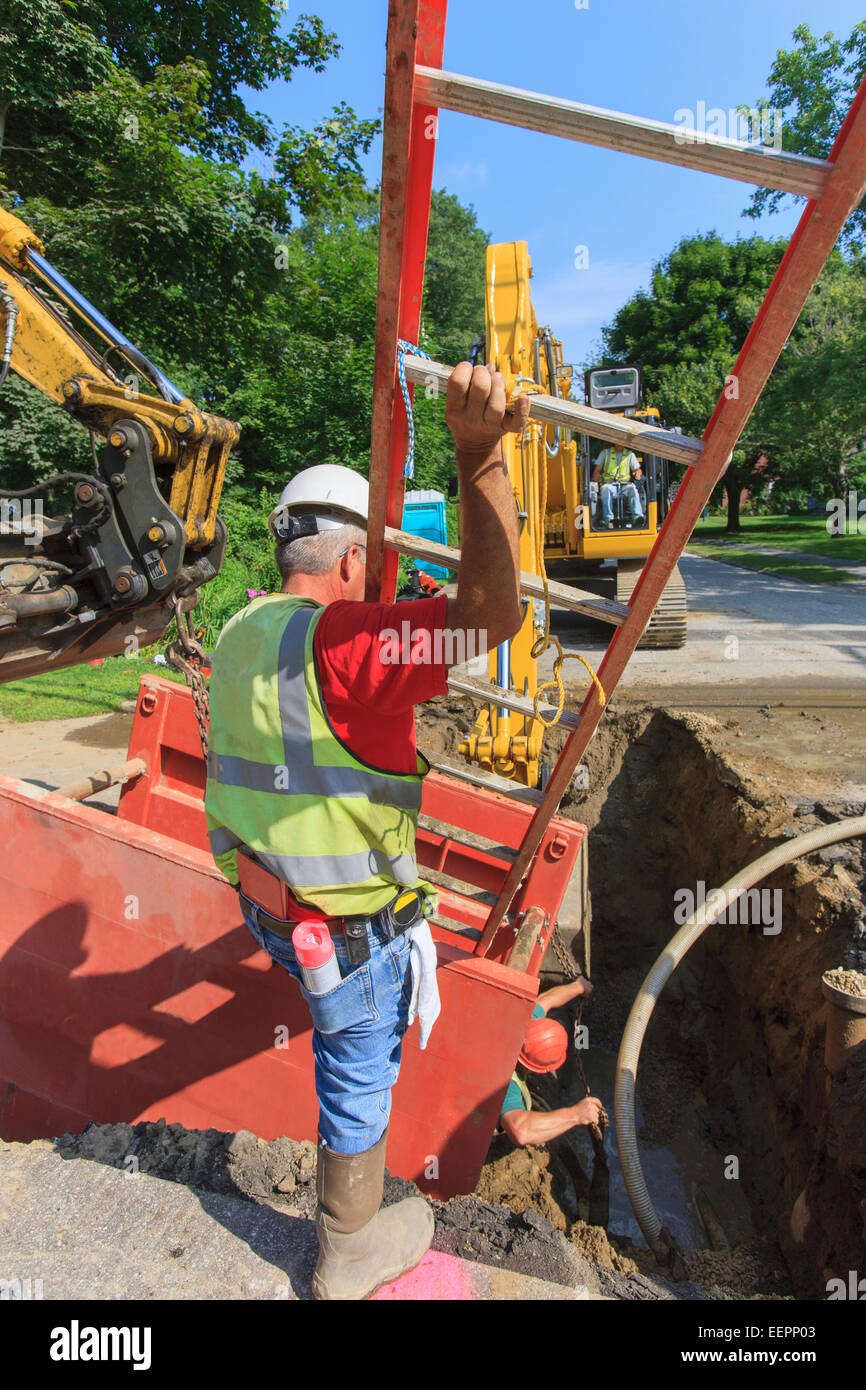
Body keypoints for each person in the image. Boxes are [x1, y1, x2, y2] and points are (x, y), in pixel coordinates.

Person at [205, 363, 530, 1300]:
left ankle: (351, 1220)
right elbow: (489, 621)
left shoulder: (240, 633)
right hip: (344, 923)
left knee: (342, 1036)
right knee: (356, 1072)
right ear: (353, 562)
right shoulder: (349, 647)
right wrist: (480, 458)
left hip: (268, 905)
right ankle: (347, 1246)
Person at [499, 976, 603, 1146]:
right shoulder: (505, 1083)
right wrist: (576, 1115)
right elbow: (520, 1131)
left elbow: (545, 1000)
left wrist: (578, 987)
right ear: (541, 1069)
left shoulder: (526, 1025)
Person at [591, 444, 644, 529]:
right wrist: (596, 475)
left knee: (632, 488)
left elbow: (637, 469)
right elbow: (597, 470)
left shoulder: (629, 454)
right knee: (605, 489)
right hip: (609, 484)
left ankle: (638, 517)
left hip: (625, 485)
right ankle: (608, 520)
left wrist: (637, 473)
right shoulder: (605, 453)